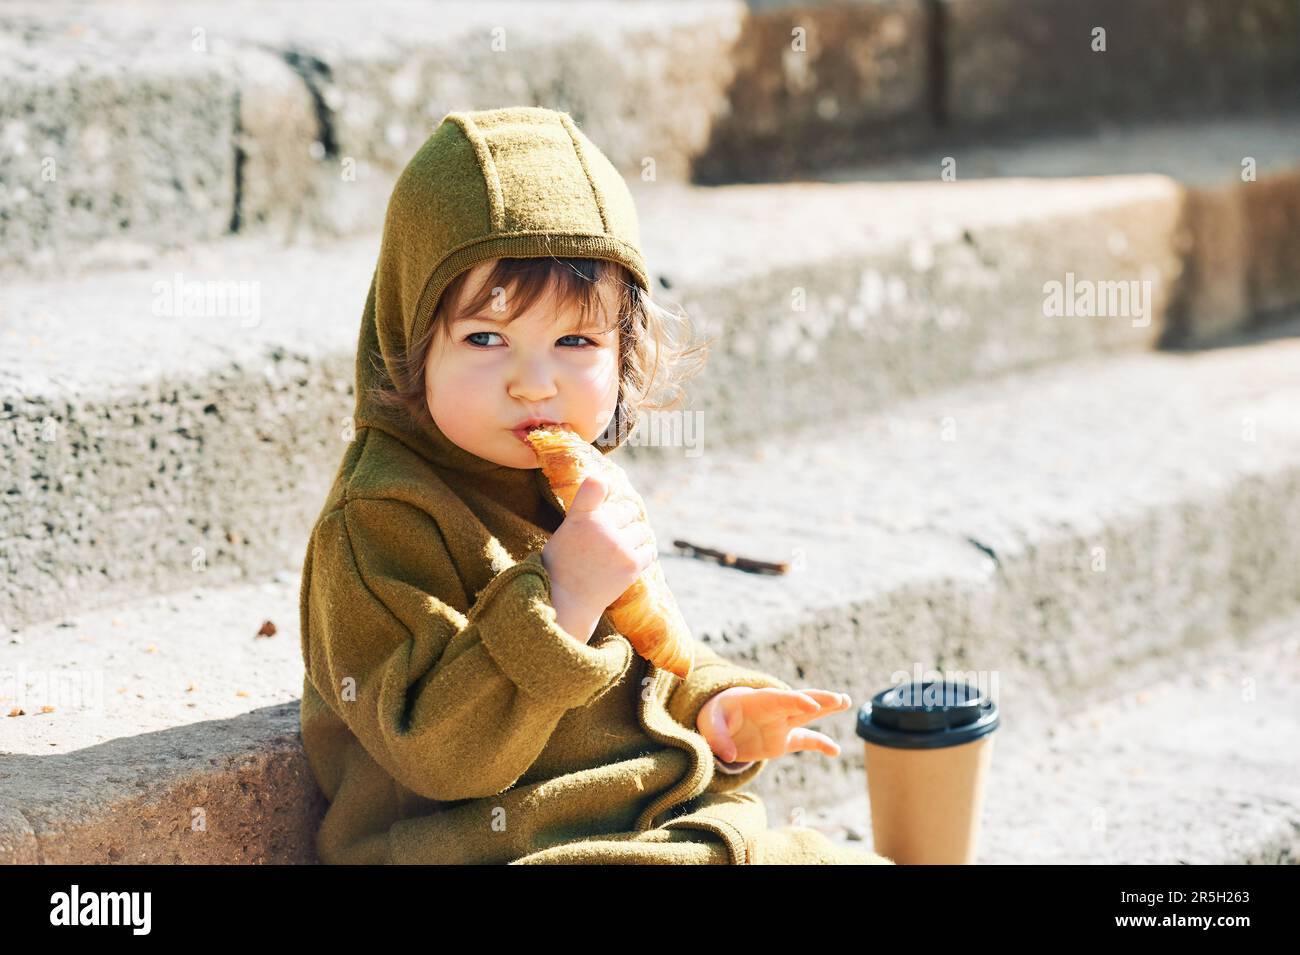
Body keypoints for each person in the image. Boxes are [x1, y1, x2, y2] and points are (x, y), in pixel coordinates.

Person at [297, 105, 894, 865]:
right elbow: (437, 755)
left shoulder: (577, 482)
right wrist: (560, 596)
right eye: (486, 338)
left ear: (625, 349)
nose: (533, 383)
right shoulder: (379, 519)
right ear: (408, 344)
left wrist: (719, 709)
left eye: (574, 340)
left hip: (646, 819)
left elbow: (652, 655)